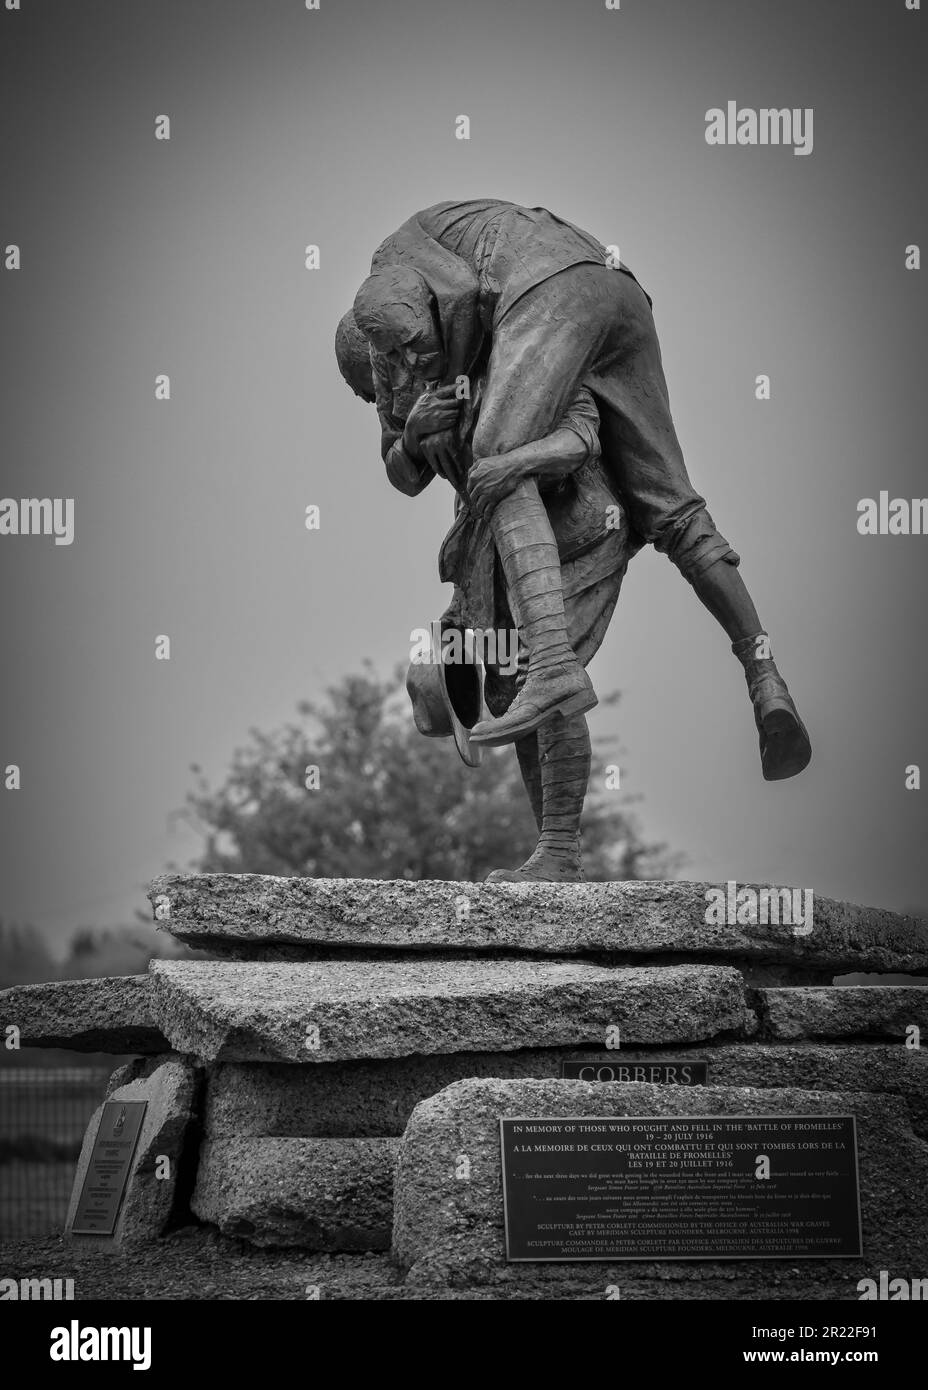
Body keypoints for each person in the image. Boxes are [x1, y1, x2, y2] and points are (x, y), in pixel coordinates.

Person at [352, 199, 811, 781]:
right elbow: (402, 467)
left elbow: (465, 297)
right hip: (618, 296)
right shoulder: (455, 366)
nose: (409, 368)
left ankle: (552, 664)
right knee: (675, 511)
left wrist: (461, 416)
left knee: (497, 458)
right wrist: (417, 432)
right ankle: (763, 673)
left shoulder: (421, 287)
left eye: (413, 348)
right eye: (390, 370)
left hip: (553, 286)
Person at [336, 310, 637, 880]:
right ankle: (552, 853)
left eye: (391, 369)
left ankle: (560, 850)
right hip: (486, 544)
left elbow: (580, 438)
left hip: (570, 529)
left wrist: (511, 464)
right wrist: (414, 435)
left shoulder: (516, 352)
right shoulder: (407, 392)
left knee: (550, 677)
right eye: (377, 385)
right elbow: (400, 474)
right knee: (515, 690)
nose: (389, 386)